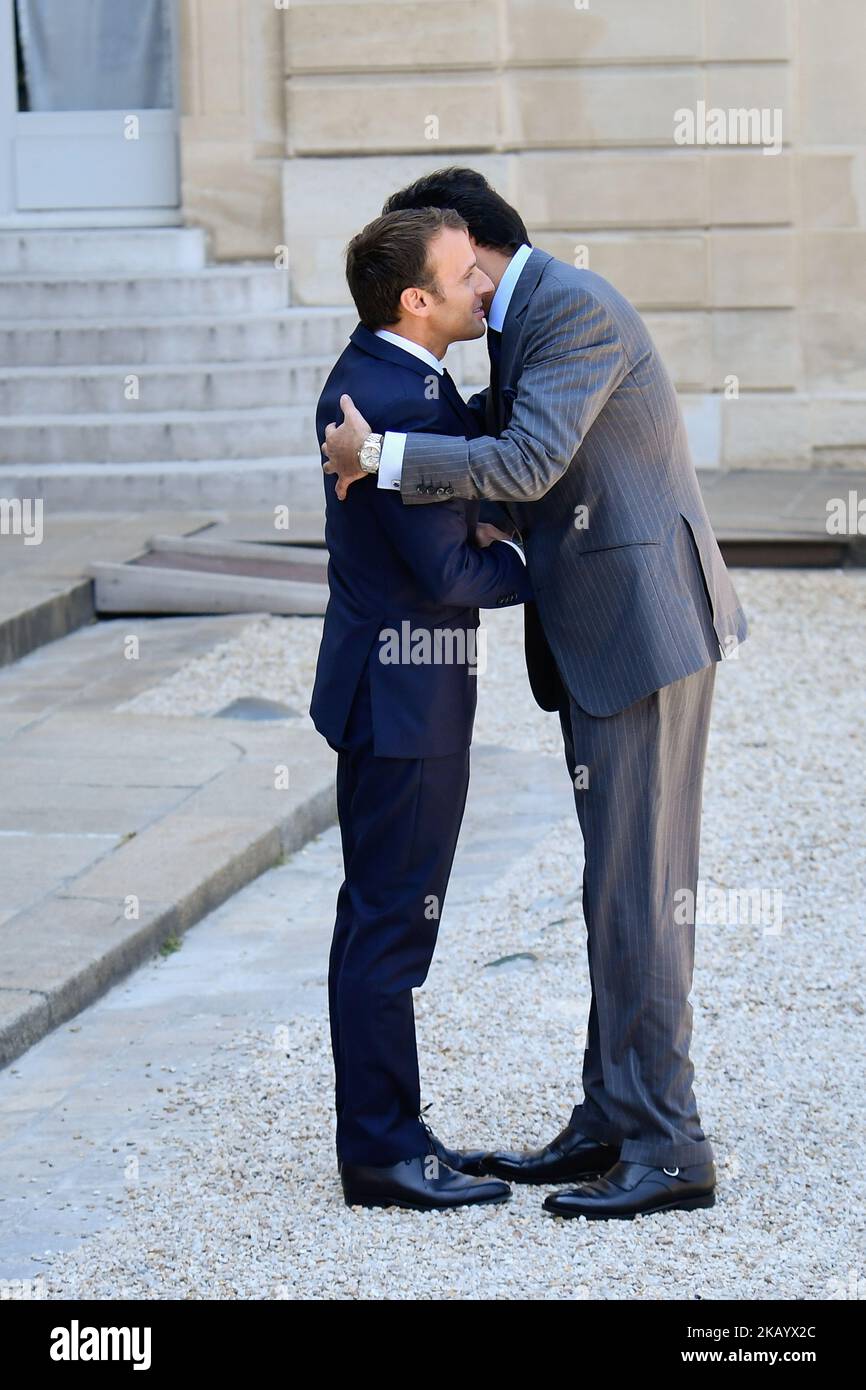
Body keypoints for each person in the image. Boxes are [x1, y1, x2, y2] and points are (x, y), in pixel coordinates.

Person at [322, 167, 748, 1222]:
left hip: (642, 630)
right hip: (605, 637)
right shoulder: (518, 320)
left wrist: (378, 456)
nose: (461, 286)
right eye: (444, 272)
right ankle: (610, 1117)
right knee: (617, 887)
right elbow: (492, 446)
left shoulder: (571, 310)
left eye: (462, 265)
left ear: (487, 252)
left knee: (640, 892)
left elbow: (520, 461)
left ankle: (666, 1144)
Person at [311, 205, 533, 1211]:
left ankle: (390, 1134)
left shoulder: (402, 379)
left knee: (381, 914)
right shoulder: (388, 400)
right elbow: (448, 571)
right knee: (389, 923)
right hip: (401, 695)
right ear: (417, 300)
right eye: (464, 275)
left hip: (401, 686)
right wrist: (540, 562)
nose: (484, 283)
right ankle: (383, 1154)